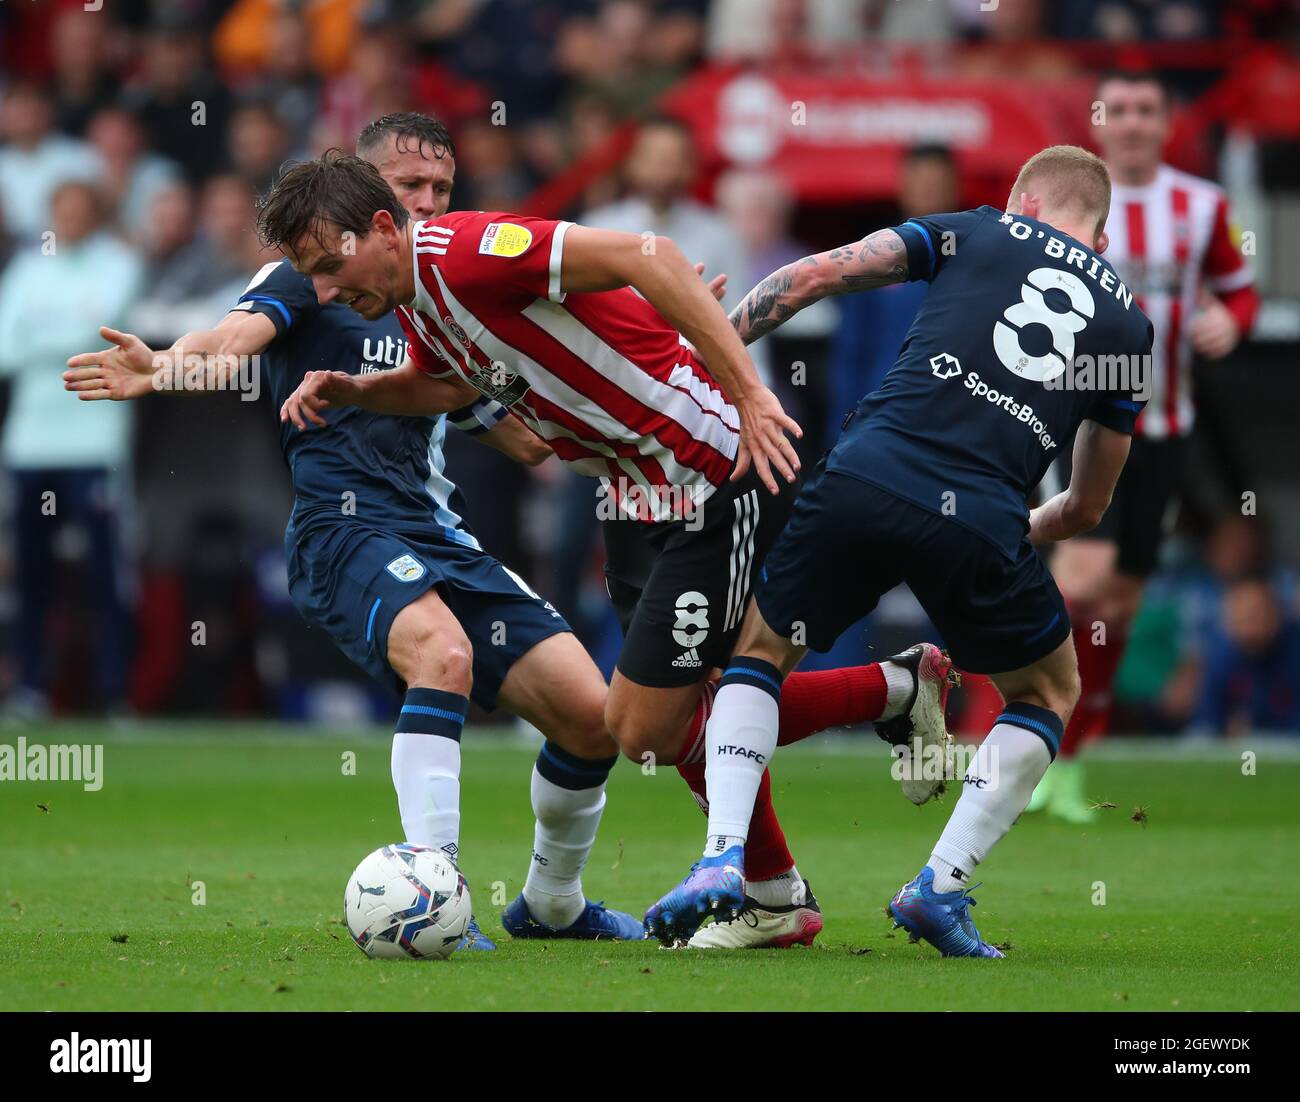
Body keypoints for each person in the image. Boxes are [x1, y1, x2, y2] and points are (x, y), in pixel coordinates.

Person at [271, 150, 954, 949]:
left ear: (383, 229)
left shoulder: (465, 251)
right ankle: (867, 736)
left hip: (710, 469)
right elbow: (452, 384)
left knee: (644, 726)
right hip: (631, 494)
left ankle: (789, 863)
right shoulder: (411, 299)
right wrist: (358, 390)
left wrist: (750, 393)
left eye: (327, 266)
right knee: (674, 713)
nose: (321, 292)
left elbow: (651, 255)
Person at [63, 113, 643, 947]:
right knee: (443, 658)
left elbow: (523, 437)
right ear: (366, 196)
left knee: (595, 719)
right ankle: (437, 892)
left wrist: (627, 375)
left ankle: (552, 904)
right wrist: (164, 366)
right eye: (412, 188)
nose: (430, 205)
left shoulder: (442, 298)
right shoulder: (312, 274)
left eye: (443, 189)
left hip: (437, 532)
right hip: (343, 534)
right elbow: (229, 342)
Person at [655, 145, 1153, 955]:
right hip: (985, 516)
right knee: (1049, 690)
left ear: (1021, 199)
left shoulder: (978, 232)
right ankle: (939, 887)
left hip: (868, 473)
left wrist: (706, 358)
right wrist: (1010, 524)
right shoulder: (1128, 324)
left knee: (761, 648)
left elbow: (813, 276)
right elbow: (1087, 505)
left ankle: (720, 861)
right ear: (1098, 239)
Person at [1032, 71, 1260, 822]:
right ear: (1098, 123)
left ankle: (1069, 759)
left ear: (1165, 124)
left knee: (1120, 603)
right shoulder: (1065, 203)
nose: (1131, 123)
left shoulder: (1200, 206)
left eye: (1145, 110)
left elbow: (1239, 286)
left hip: (1163, 428)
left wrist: (1232, 321)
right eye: (1118, 110)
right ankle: (1022, 737)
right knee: (1077, 581)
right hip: (1079, 424)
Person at [0, 180, 143, 716]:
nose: (72, 218)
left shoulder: (119, 263)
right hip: (31, 445)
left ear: (95, 212)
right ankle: (30, 688)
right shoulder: (26, 270)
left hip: (96, 442)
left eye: (82, 208)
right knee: (32, 574)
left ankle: (113, 693)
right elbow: (5, 350)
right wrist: (70, 335)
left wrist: (41, 331)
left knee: (106, 573)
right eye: (64, 209)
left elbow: (104, 333)